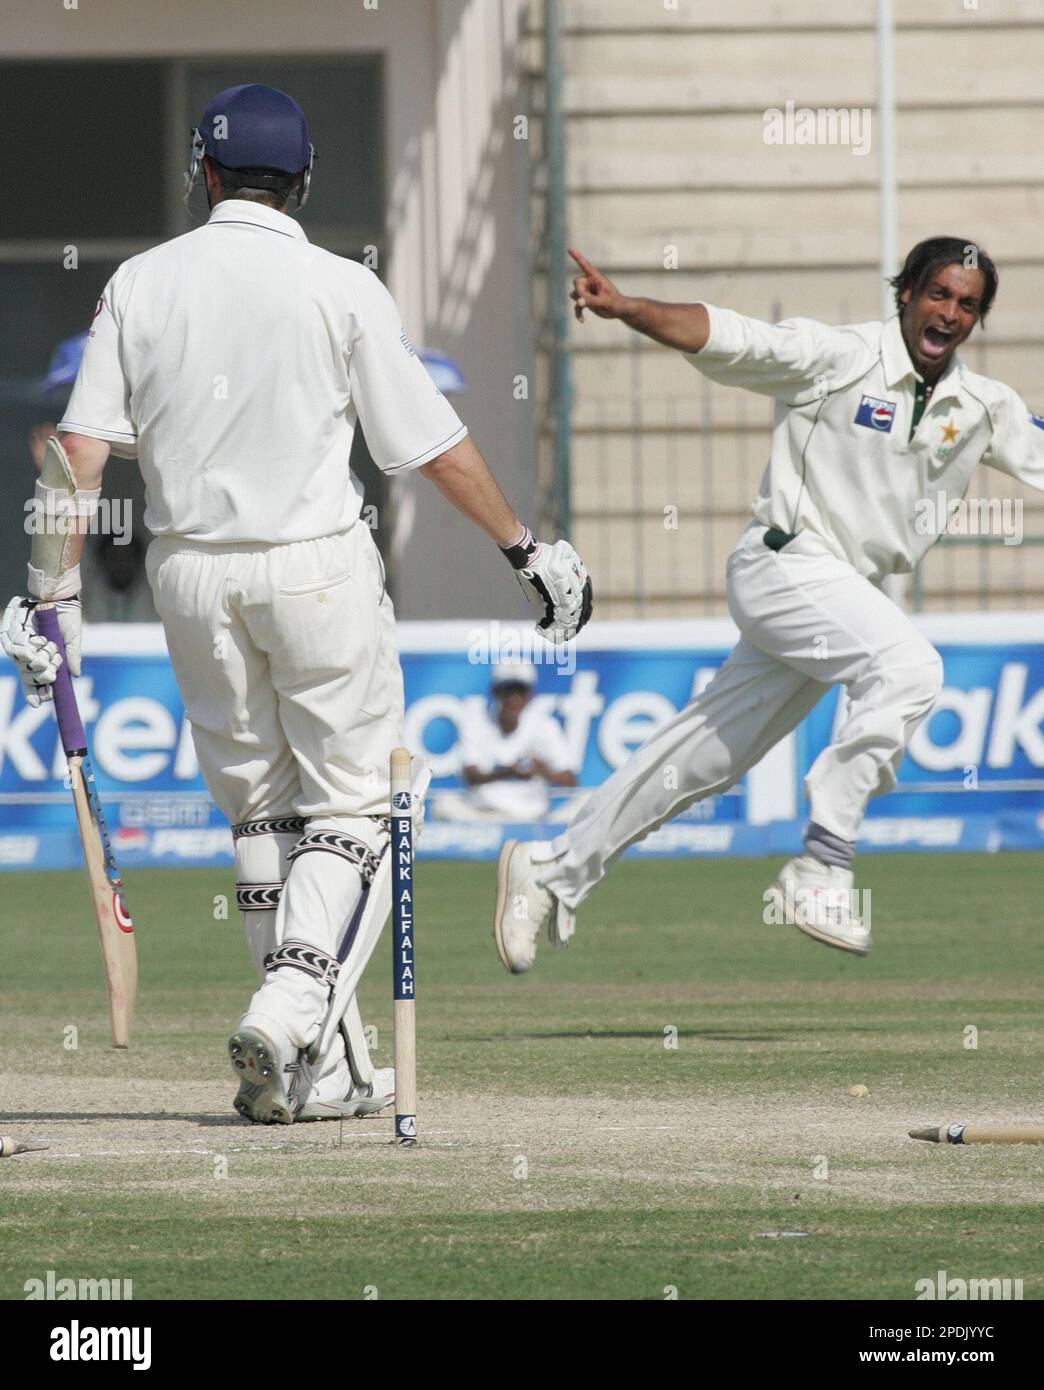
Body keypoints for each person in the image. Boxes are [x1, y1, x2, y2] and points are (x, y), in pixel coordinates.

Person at [1, 83, 592, 1124]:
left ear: (207, 176)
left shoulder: (139, 283)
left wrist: (49, 599)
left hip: (191, 577)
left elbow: (79, 455)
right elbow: (430, 448)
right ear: (304, 181)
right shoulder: (342, 285)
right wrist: (524, 549)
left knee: (264, 812)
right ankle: (291, 1002)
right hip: (313, 566)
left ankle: (325, 1070)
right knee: (354, 807)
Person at [493, 236, 1044, 973]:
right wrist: (628, 307)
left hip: (842, 599)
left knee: (697, 761)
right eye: (938, 294)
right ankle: (822, 864)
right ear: (906, 292)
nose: (950, 313)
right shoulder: (839, 356)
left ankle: (550, 869)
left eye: (968, 305)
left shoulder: (982, 406)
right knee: (911, 666)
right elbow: (727, 332)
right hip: (783, 563)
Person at [452, 660, 577, 822]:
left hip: (534, 815)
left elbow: (570, 780)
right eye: (508, 691)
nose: (514, 698)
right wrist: (510, 771)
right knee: (443, 805)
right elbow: (471, 776)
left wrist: (541, 770)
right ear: (496, 692)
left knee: (584, 803)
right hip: (485, 814)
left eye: (520, 691)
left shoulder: (546, 726)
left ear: (529, 695)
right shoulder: (476, 724)